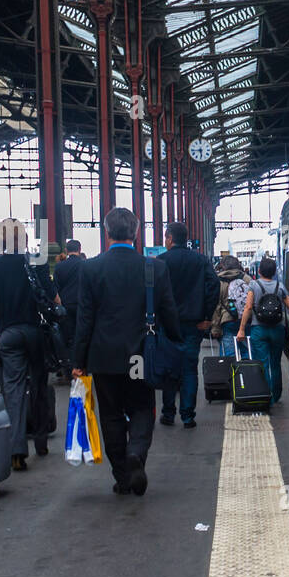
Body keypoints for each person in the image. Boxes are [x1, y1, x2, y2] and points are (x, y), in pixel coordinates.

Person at [71, 207, 181, 496]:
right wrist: (176, 341)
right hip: (138, 356)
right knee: (141, 406)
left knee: (111, 414)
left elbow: (85, 320)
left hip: (103, 358)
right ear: (136, 232)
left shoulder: (91, 268)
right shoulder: (154, 268)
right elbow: (168, 312)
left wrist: (78, 361)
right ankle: (136, 454)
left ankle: (122, 475)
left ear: (107, 233)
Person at [0, 218, 54, 471]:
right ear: (25, 238)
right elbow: (50, 293)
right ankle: (40, 440)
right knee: (39, 384)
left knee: (13, 390)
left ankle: (17, 449)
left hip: (7, 332)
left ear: (1, 239)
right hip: (35, 331)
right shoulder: (36, 260)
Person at [157, 222, 219, 428]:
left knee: (168, 369)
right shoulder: (200, 260)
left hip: (167, 325)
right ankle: (188, 416)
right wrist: (207, 316)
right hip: (195, 323)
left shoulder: (161, 261)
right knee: (189, 370)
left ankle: (168, 413)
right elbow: (213, 286)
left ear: (169, 238)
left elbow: (153, 293)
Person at [236, 256, 289, 404]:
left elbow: (249, 307)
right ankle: (276, 396)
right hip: (277, 329)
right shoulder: (280, 286)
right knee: (275, 363)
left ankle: (266, 396)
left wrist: (242, 329)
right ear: (274, 271)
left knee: (263, 363)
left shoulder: (253, 285)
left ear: (259, 271)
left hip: (259, 330)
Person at [53, 238, 86, 375]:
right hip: (83, 307)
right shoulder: (86, 265)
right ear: (80, 249)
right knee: (82, 337)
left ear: (66, 250)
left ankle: (70, 369)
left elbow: (55, 289)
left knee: (68, 338)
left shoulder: (59, 267)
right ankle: (81, 370)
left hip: (65, 307)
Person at [211, 255, 249, 357]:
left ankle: (230, 372)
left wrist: (215, 328)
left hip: (227, 321)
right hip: (245, 321)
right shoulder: (246, 279)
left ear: (223, 266)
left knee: (228, 355)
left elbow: (216, 306)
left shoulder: (218, 281)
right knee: (247, 352)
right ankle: (247, 371)